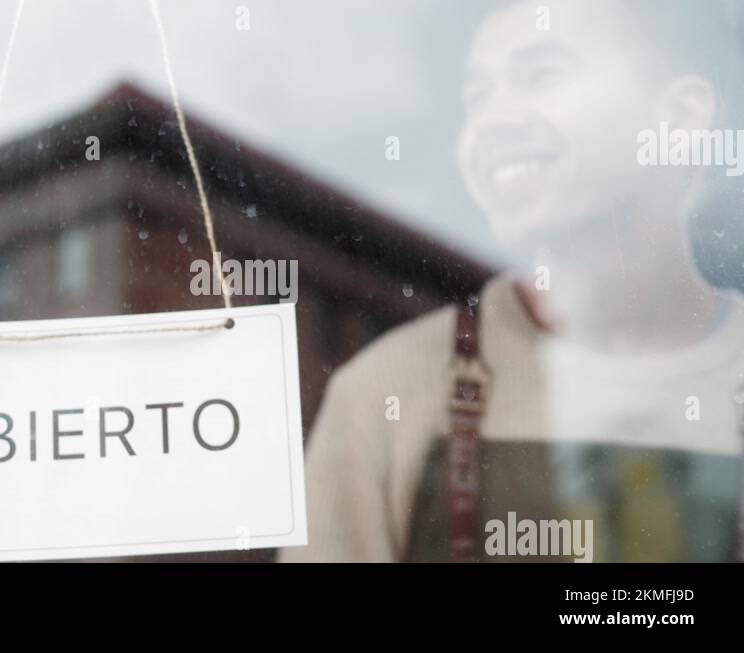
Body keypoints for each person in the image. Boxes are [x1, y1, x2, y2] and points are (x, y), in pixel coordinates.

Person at [281, 0, 744, 562]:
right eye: (479, 99)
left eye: (543, 75)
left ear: (681, 116)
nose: (493, 122)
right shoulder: (386, 397)